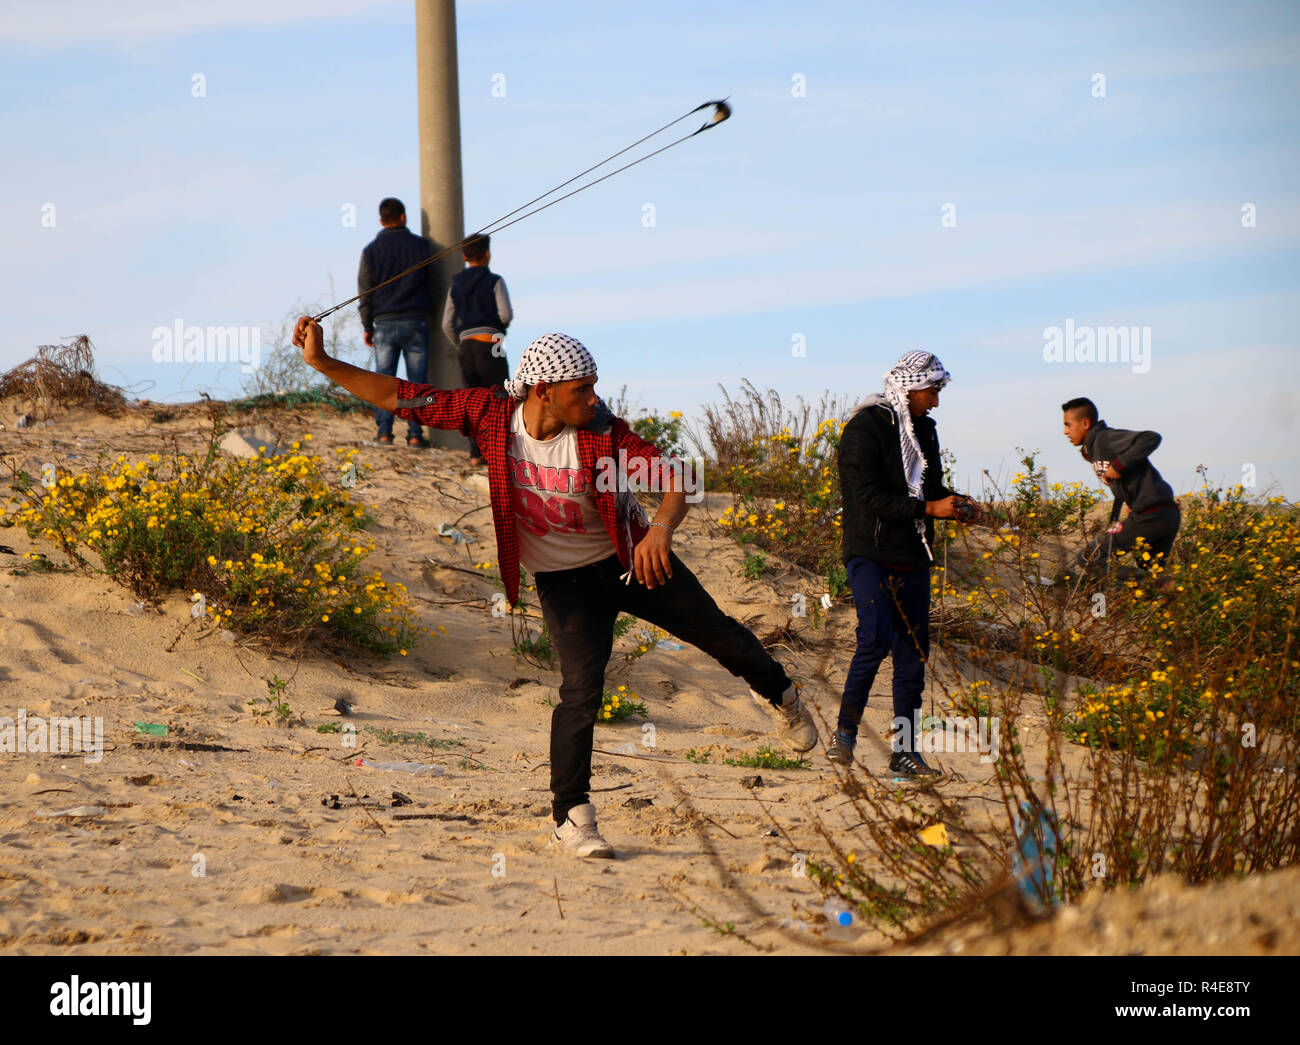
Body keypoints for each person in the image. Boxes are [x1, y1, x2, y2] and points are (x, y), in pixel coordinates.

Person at [292, 319, 818, 858]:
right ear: (543, 390)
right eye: (581, 389)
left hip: (631, 561)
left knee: (721, 637)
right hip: (564, 583)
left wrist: (658, 531)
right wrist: (322, 363)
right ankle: (573, 818)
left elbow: (678, 480)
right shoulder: (491, 417)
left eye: (594, 386)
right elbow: (402, 396)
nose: (594, 398)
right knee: (580, 691)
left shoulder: (603, 435)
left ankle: (783, 695)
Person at [829, 351, 977, 777]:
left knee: (913, 655)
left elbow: (929, 487)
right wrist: (931, 509)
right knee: (874, 640)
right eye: (932, 391)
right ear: (910, 388)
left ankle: (905, 753)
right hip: (870, 552)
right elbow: (866, 497)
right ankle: (845, 737)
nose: (935, 400)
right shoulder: (865, 427)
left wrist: (958, 503)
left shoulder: (925, 431)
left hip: (913, 554)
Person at [1061, 397, 1180, 581]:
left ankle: (1162, 584)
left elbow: (1150, 438)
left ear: (1085, 423)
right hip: (1164, 514)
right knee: (1150, 573)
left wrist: (1119, 464)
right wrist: (1128, 501)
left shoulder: (1104, 439)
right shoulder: (1091, 450)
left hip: (1150, 515)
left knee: (1089, 557)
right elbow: (1122, 481)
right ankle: (1166, 591)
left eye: (1068, 425)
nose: (1065, 432)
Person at [357, 197, 434, 447]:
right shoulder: (422, 247)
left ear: (381, 220)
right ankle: (414, 435)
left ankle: (384, 433)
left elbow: (365, 291)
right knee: (417, 382)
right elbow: (435, 285)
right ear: (403, 217)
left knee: (384, 380)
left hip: (384, 322)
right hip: (415, 321)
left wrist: (367, 325)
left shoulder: (371, 251)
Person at [440, 234, 513, 466]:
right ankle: (498, 452)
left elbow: (446, 324)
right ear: (488, 254)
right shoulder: (495, 281)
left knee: (472, 401)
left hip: (466, 347)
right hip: (491, 345)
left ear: (463, 256)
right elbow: (506, 315)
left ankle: (475, 454)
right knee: (500, 398)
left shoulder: (455, 285)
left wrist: (460, 343)